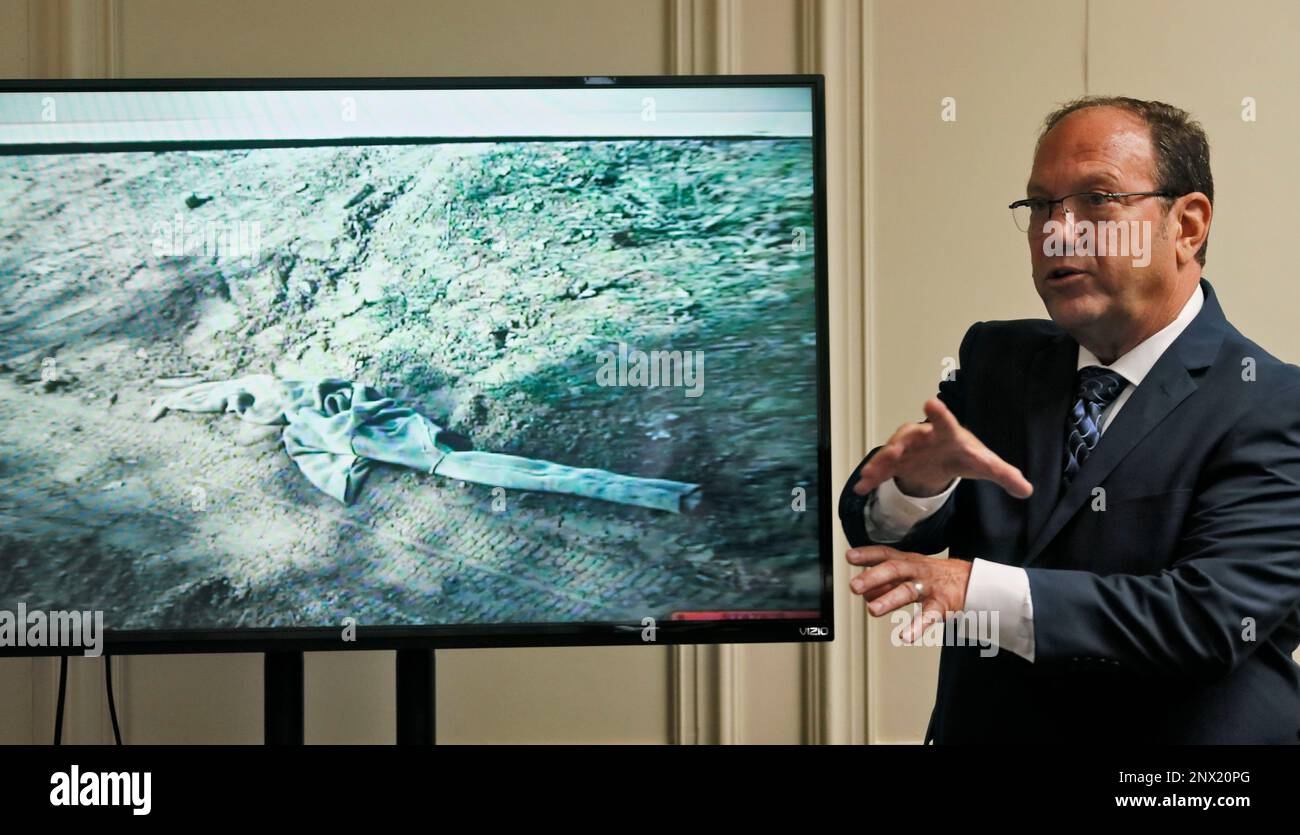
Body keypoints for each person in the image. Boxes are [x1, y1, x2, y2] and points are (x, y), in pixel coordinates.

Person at [838, 96, 1300, 743]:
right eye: (1041, 206)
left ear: (1188, 224)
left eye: (1098, 200)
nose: (1059, 230)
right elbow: (879, 527)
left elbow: (1207, 618)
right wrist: (916, 486)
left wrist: (977, 588)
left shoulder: (1274, 401)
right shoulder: (997, 357)